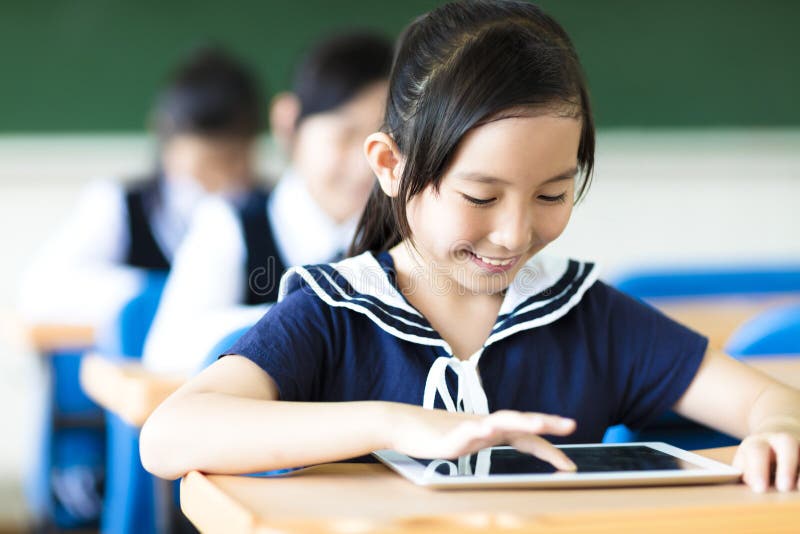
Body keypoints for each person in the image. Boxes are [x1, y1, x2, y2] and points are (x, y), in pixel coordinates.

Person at [140, 0, 800, 493]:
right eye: (480, 197)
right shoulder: (335, 314)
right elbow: (170, 435)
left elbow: (772, 400)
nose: (515, 233)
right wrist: (395, 424)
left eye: (551, 194)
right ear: (391, 165)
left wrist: (778, 430)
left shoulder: (587, 318)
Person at [141, 32, 392, 374]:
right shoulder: (231, 224)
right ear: (289, 123)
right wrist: (305, 317)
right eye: (345, 136)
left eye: (387, 140)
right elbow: (167, 351)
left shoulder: (405, 237)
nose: (365, 165)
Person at [19, 46, 264, 331]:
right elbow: (40, 292)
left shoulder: (271, 212)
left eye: (234, 160)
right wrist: (160, 291)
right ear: (167, 141)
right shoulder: (119, 205)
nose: (222, 179)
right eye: (208, 163)